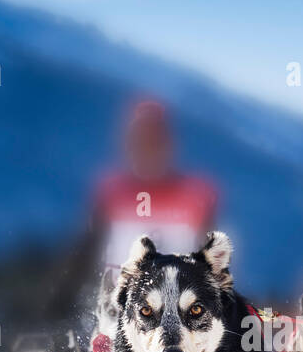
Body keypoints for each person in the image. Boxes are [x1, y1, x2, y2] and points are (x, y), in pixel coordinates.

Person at [45, 100, 218, 321]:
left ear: (169, 144)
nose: (147, 150)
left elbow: (214, 265)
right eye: (140, 141)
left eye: (154, 141)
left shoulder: (196, 196)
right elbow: (83, 256)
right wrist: (56, 308)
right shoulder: (111, 192)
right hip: (116, 314)